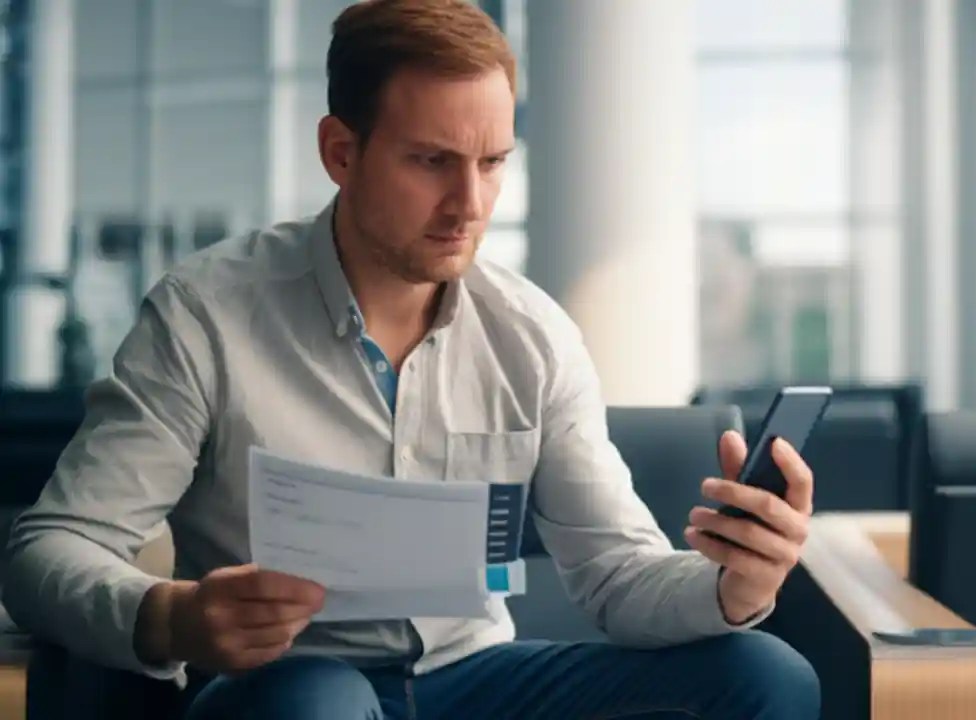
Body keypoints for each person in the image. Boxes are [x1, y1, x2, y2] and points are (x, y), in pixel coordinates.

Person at [3, 1, 821, 718]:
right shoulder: (204, 316)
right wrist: (169, 618)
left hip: (474, 679)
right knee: (318, 698)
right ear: (341, 152)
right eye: (432, 161)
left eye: (493, 163)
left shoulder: (534, 336)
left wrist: (733, 587)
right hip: (286, 686)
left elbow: (616, 576)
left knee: (762, 672)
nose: (471, 204)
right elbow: (47, 551)